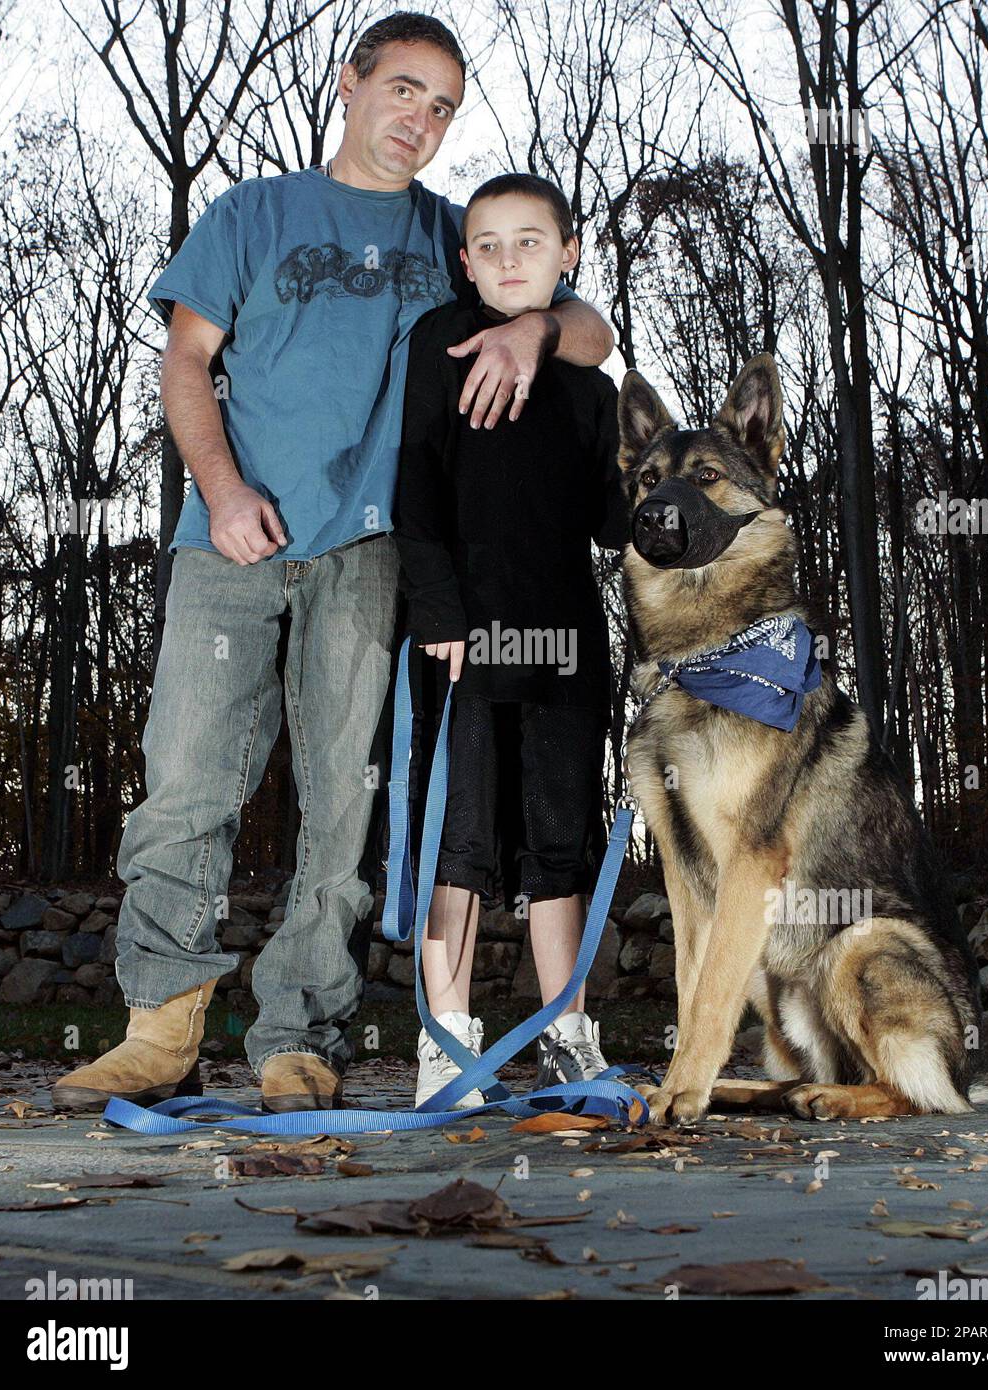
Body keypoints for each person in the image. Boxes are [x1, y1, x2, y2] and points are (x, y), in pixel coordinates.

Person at [53, 13, 615, 1115]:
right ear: (350, 83)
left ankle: (299, 1036)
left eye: (444, 106)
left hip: (368, 556)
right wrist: (220, 491)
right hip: (230, 535)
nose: (421, 118)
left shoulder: (457, 235)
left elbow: (588, 325)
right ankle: (158, 1030)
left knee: (346, 805)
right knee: (188, 780)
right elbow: (185, 358)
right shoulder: (253, 212)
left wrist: (533, 331)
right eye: (404, 89)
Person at [393, 173, 630, 1109]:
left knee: (557, 837)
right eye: (486, 244)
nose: (506, 259)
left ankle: (566, 1033)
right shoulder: (439, 348)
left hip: (567, 641)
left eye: (529, 241)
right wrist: (439, 613)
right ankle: (444, 1043)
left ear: (568, 256)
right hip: (464, 639)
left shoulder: (593, 384)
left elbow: (615, 526)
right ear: (463, 262)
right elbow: (415, 488)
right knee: (461, 838)